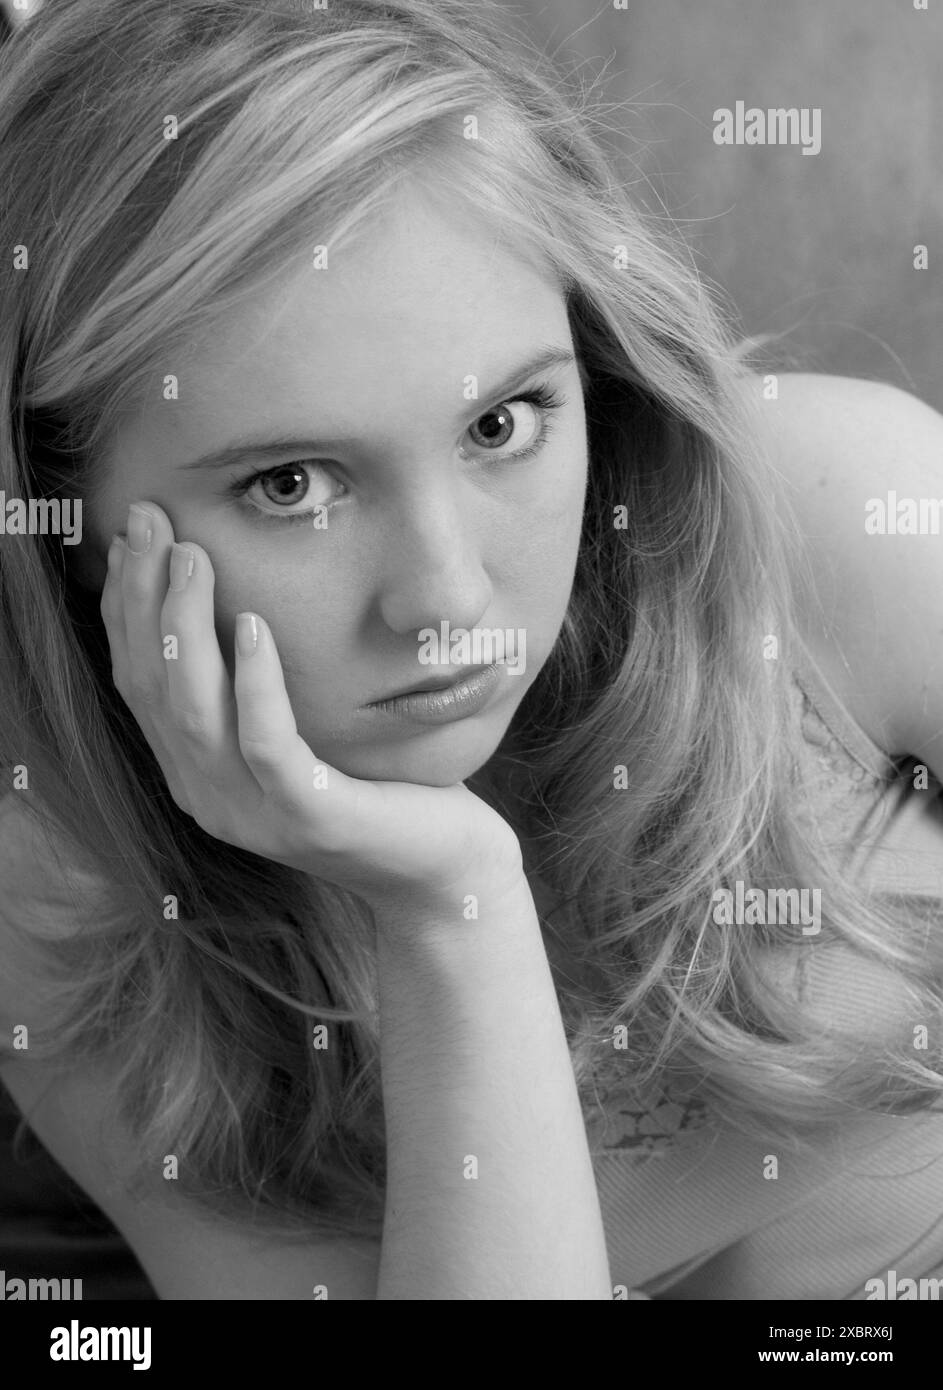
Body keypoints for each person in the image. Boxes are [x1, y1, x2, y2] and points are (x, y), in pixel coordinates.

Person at [1, 0, 942, 1301]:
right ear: (72, 532)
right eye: (290, 483)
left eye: (504, 421)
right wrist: (449, 902)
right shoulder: (55, 881)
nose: (446, 595)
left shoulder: (848, 519)